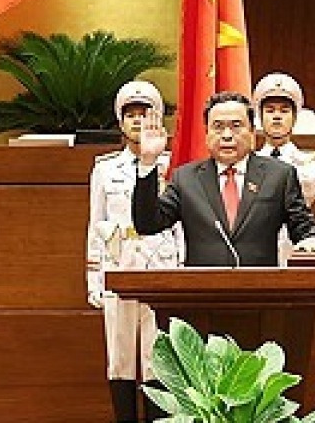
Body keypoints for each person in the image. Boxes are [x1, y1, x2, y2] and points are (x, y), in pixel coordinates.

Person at [130, 91, 315, 266]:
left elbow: (302, 223)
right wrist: (147, 162)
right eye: (218, 127)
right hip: (202, 297)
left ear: (252, 131)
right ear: (206, 133)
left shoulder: (278, 175)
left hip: (261, 295)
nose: (226, 135)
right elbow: (148, 224)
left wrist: (313, 238)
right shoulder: (186, 178)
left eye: (236, 126)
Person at [86, 81, 184, 423]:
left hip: (161, 262)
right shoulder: (105, 168)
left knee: (157, 353)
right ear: (120, 121)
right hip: (119, 260)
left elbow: (180, 224)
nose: (138, 121)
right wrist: (94, 277)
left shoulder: (172, 166)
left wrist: (183, 267)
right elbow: (95, 224)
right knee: (121, 355)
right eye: (131, 114)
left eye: (145, 113)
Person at [252, 72, 315, 265]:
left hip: (295, 244)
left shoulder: (311, 164)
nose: (277, 117)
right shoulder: (248, 163)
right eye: (270, 110)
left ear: (295, 118)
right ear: (259, 117)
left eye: (284, 110)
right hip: (255, 247)